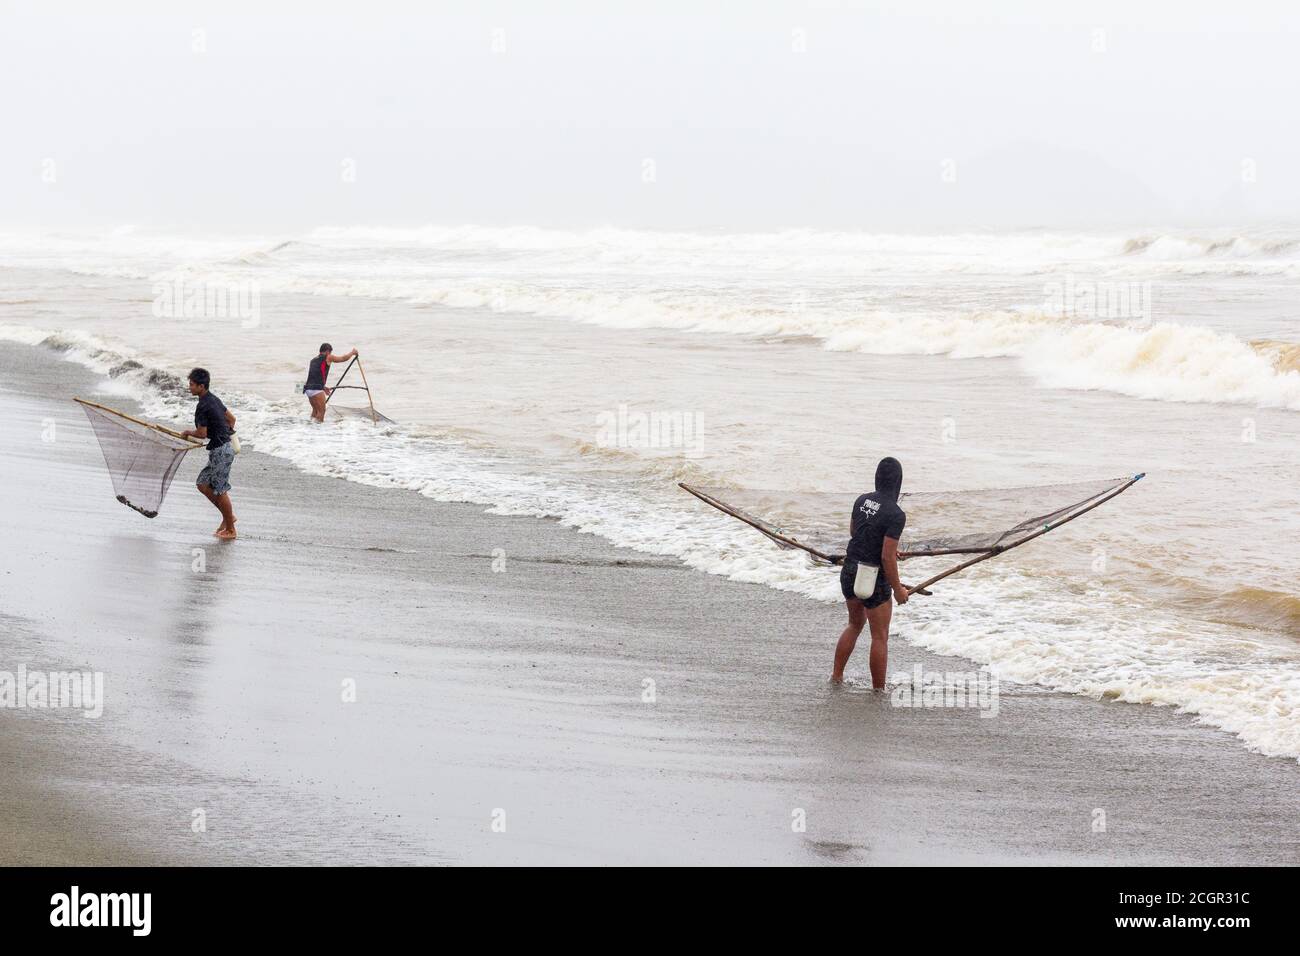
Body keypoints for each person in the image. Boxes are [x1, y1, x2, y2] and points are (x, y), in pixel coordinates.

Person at [832, 457, 909, 688]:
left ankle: (836, 676)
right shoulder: (896, 514)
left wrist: (889, 550)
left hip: (850, 569)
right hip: (872, 577)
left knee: (854, 625)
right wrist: (898, 590)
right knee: (879, 636)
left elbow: (856, 533)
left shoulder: (861, 500)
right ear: (898, 482)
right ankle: (878, 690)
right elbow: (886, 557)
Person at [180, 368, 238, 540]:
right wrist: (222, 432)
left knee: (220, 490)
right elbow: (232, 420)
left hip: (221, 451)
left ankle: (231, 529)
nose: (189, 387)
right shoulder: (214, 399)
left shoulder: (203, 405)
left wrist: (187, 433)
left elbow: (202, 433)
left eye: (191, 385)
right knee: (203, 484)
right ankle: (229, 518)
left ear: (201, 386)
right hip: (221, 448)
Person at [304, 343, 358, 422]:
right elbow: (343, 358)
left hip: (308, 389)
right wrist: (352, 353)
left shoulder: (313, 360)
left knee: (315, 410)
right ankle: (318, 431)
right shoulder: (328, 357)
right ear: (327, 351)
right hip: (316, 389)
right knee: (321, 411)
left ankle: (311, 427)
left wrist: (323, 387)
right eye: (330, 352)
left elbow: (314, 375)